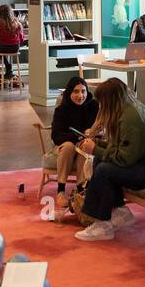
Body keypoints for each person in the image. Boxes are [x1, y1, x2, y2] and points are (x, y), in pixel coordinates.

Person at [74, 78, 145, 242]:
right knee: (100, 162)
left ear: (110, 101)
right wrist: (99, 144)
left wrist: (95, 149)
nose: (100, 107)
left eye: (102, 103)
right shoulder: (127, 110)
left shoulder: (132, 118)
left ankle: (102, 224)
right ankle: (119, 212)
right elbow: (121, 147)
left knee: (104, 169)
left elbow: (124, 159)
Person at [48, 76, 98, 222]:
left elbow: (98, 128)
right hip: (65, 146)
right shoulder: (61, 110)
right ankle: (61, 190)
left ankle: (80, 192)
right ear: (69, 93)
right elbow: (56, 136)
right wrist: (76, 137)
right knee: (70, 147)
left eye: (83, 91)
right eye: (76, 91)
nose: (80, 95)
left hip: (84, 145)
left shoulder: (93, 107)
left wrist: (91, 132)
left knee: (85, 147)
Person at [0, 4, 25, 88]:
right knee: (2, 46)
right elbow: (22, 39)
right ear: (11, 12)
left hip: (2, 48)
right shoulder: (17, 23)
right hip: (15, 48)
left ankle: (8, 66)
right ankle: (9, 70)